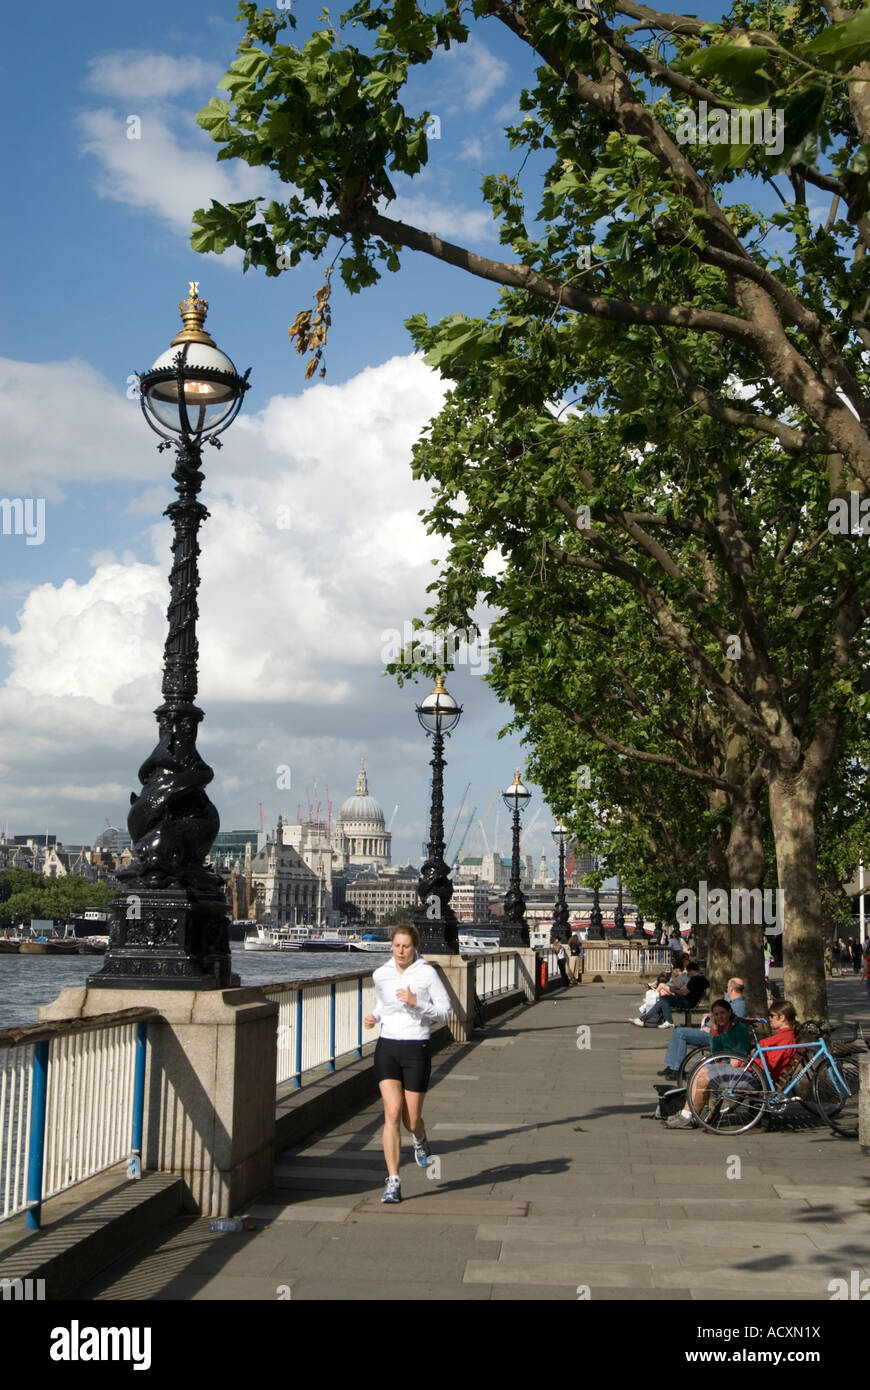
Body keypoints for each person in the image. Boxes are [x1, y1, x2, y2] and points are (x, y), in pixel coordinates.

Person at [364, 923, 451, 1205]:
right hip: (388, 1045)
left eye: (406, 946)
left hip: (417, 1046)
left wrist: (416, 1003)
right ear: (391, 945)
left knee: (410, 1119)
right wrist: (374, 1017)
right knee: (391, 1113)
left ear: (415, 948)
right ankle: (393, 1181)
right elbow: (383, 1004)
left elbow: (445, 1012)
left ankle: (420, 1137)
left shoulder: (426, 973)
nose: (400, 951)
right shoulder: (381, 974)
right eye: (397, 945)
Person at [665, 999, 754, 1127]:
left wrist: (717, 1065)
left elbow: (737, 1059)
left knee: (702, 1074)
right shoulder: (718, 1029)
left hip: (738, 1069)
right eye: (716, 1014)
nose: (719, 1017)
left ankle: (689, 1115)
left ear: (729, 1012)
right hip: (723, 1065)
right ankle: (688, 1114)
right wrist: (714, 1031)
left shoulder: (739, 1029)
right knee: (697, 1073)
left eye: (722, 1013)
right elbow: (715, 1052)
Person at [658, 978, 748, 1079]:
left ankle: (676, 1068)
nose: (726, 990)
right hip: (712, 1030)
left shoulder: (738, 1006)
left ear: (731, 989)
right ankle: (672, 1065)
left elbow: (730, 1027)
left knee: (680, 1032)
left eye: (727, 987)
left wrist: (711, 1029)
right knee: (679, 1031)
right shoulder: (736, 1003)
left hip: (714, 1033)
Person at [630, 961, 708, 1027]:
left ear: (691, 971)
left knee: (664, 999)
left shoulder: (694, 979)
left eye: (688, 972)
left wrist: (674, 990)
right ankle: (647, 1020)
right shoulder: (703, 979)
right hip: (692, 1001)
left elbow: (685, 992)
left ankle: (645, 1019)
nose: (688, 975)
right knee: (663, 1001)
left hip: (687, 1001)